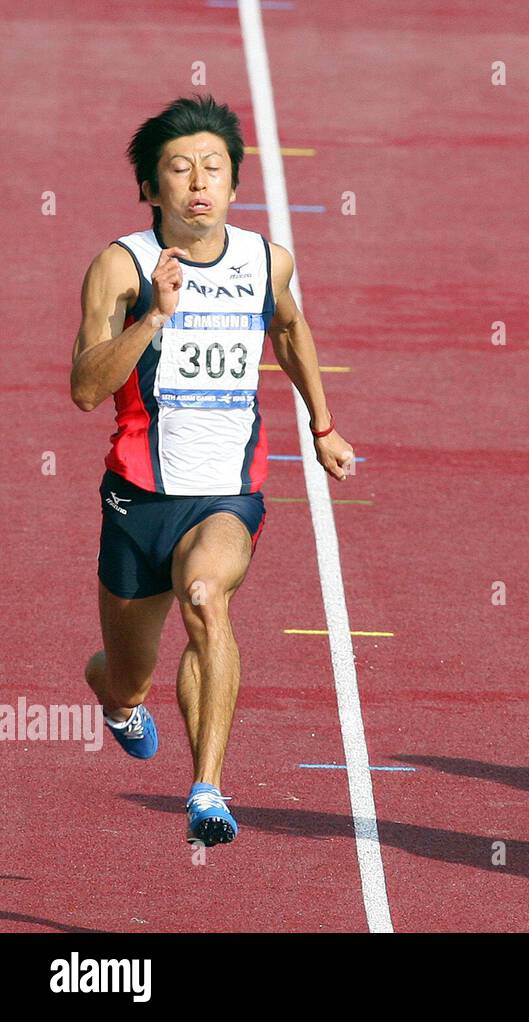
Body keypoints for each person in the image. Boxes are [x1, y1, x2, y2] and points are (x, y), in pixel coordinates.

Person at [71, 95, 355, 846]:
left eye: (213, 168)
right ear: (151, 187)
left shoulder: (267, 260)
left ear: (234, 183)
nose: (198, 181)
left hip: (227, 495)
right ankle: (116, 697)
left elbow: (290, 330)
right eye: (179, 168)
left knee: (206, 600)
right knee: (128, 673)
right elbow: (84, 388)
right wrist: (154, 318)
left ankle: (207, 790)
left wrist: (322, 425)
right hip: (137, 500)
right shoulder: (122, 267)